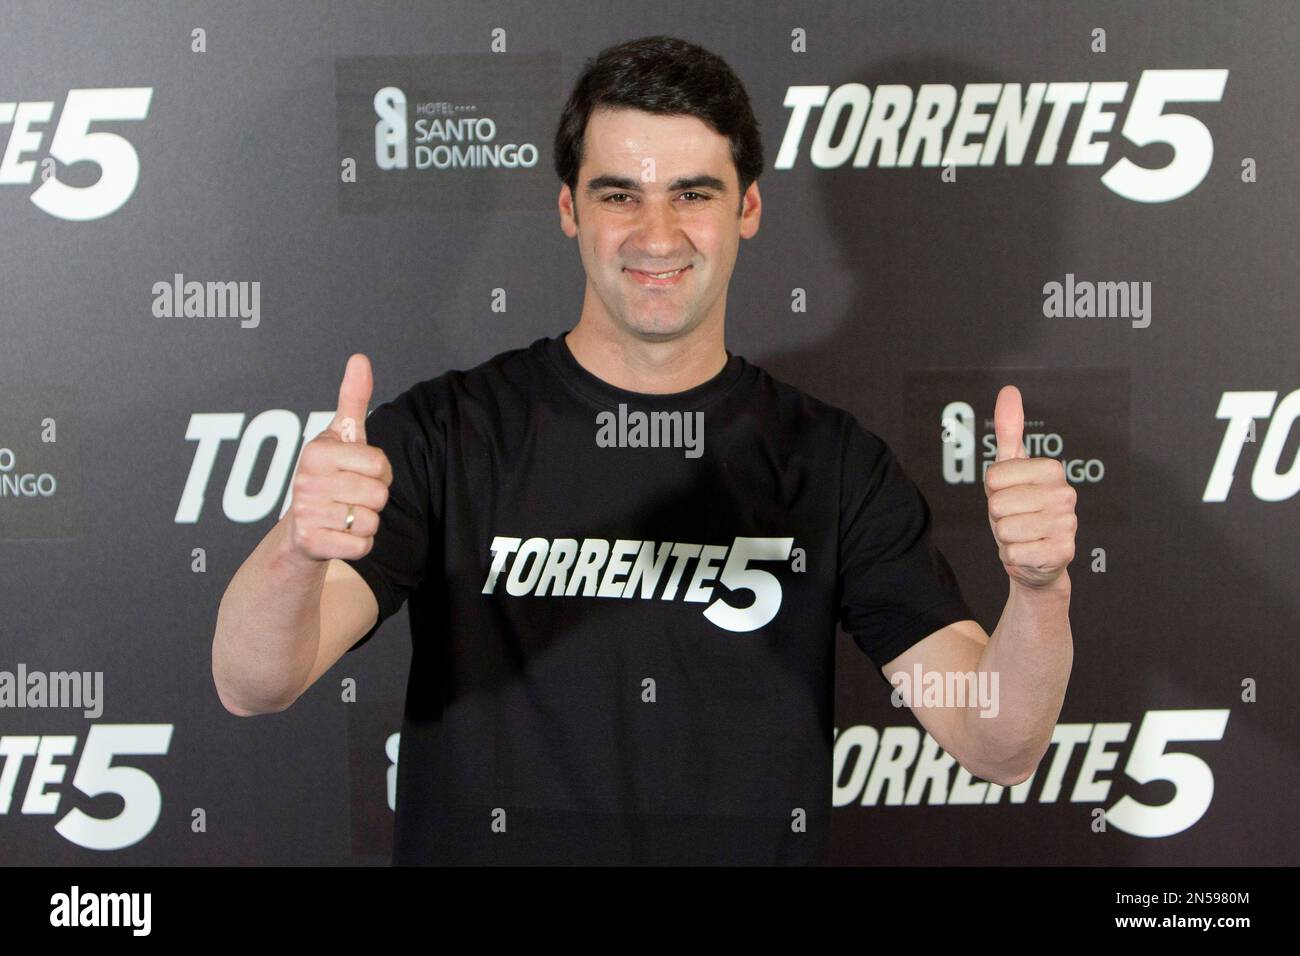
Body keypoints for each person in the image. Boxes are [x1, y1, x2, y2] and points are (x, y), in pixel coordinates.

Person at [211, 35, 1075, 865]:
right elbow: (252, 683)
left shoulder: (833, 462)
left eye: (693, 194)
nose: (656, 236)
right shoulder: (447, 432)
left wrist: (1038, 596)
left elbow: (995, 741)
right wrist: (295, 549)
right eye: (620, 194)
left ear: (748, 208)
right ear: (568, 208)